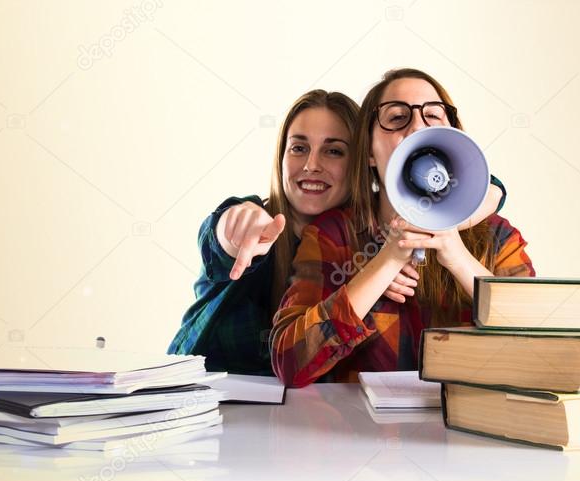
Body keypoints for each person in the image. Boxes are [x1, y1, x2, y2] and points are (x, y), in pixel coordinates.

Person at [169, 88, 507, 375]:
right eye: (298, 148)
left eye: (333, 151)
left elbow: (464, 178)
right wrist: (228, 228)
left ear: (361, 160)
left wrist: (485, 194)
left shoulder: (369, 239)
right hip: (204, 402)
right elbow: (218, 239)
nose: (312, 164)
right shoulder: (255, 220)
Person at [271, 68, 535, 387]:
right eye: (397, 118)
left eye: (433, 115)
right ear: (368, 152)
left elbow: (538, 348)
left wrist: (459, 259)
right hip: (360, 435)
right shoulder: (333, 236)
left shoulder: (496, 238)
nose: (417, 127)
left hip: (466, 434)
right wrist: (386, 262)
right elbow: (290, 363)